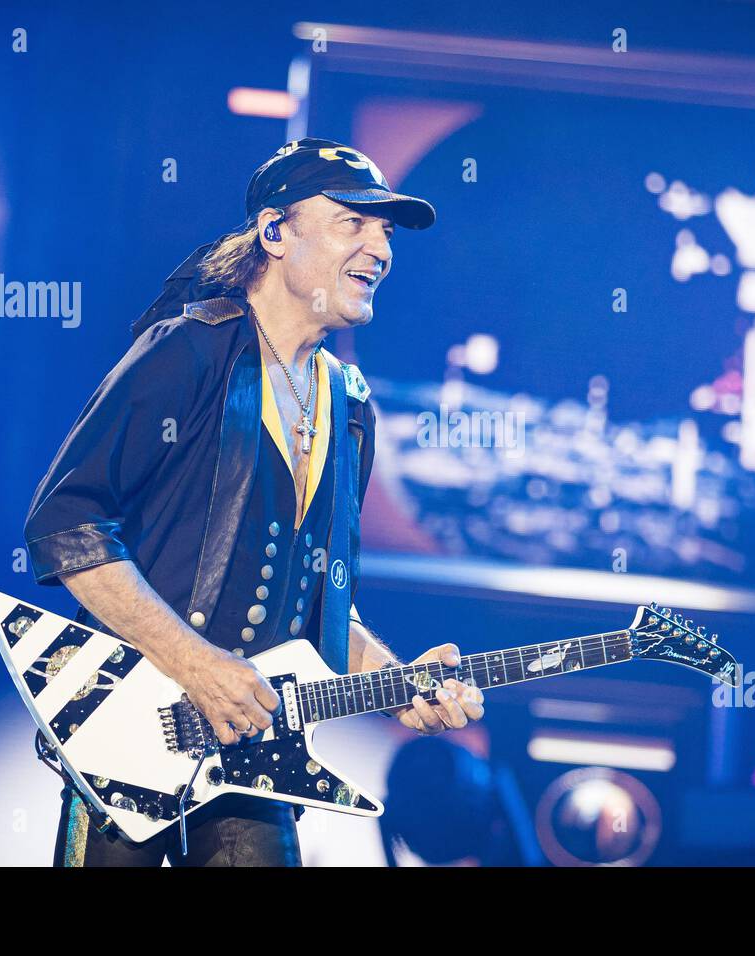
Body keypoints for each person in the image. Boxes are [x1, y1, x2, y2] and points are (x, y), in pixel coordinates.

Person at [24, 138, 486, 866]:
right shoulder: (190, 351)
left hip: (252, 759)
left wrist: (398, 685)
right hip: (127, 736)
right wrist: (195, 663)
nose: (379, 248)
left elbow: (321, 608)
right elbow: (65, 523)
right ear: (275, 233)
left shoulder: (350, 404)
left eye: (386, 231)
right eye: (352, 223)